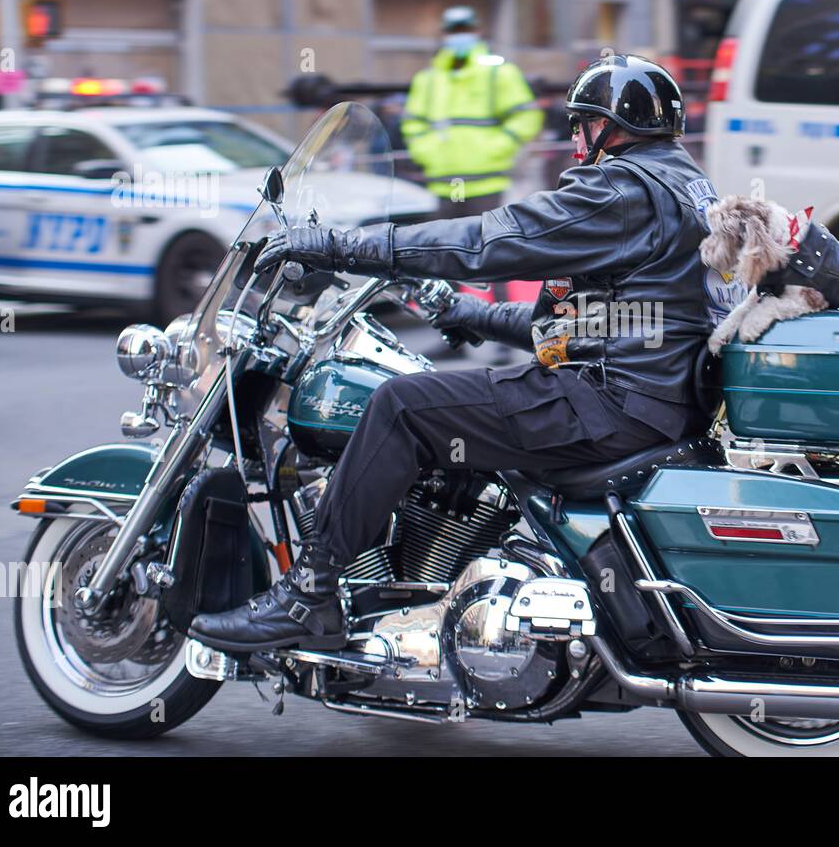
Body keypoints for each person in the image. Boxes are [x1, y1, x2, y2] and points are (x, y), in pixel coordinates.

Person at [189, 55, 728, 651]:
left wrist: (340, 247)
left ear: (612, 125)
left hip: (606, 405)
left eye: (581, 125)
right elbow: (610, 324)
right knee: (451, 404)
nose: (574, 139)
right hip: (650, 399)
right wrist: (472, 313)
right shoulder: (684, 185)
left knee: (401, 405)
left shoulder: (619, 190)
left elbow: (486, 239)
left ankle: (308, 596)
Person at [401, 5, 543, 222]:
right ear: (444, 34)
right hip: (444, 183)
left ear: (477, 31)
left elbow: (526, 116)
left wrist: (497, 147)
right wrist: (427, 151)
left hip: (487, 182)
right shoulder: (428, 79)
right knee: (446, 248)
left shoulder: (499, 73)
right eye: (454, 30)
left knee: (484, 245)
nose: (459, 36)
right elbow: (412, 123)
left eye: (464, 29)